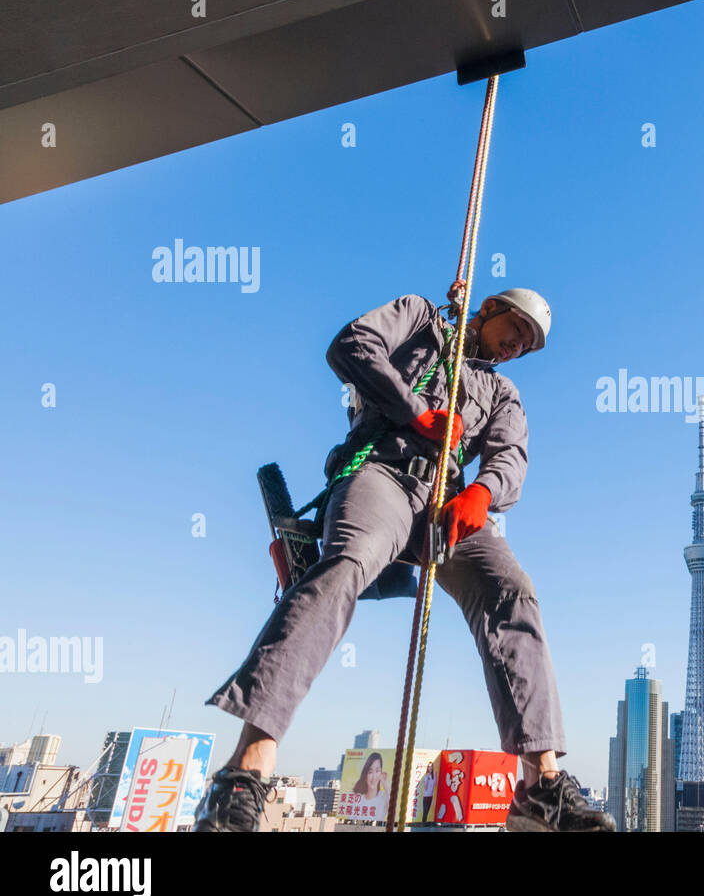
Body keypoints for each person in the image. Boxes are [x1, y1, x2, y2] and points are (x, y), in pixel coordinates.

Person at [194, 288, 614, 832]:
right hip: (383, 474)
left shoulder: (502, 393)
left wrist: (483, 493)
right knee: (348, 562)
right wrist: (417, 414)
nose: (516, 345)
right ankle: (246, 771)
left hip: (445, 502)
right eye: (515, 329)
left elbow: (510, 455)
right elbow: (351, 345)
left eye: (527, 345)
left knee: (511, 590)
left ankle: (541, 784)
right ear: (488, 307)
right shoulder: (421, 320)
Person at [351, 751, 389, 821]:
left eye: (377, 771)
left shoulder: (383, 797)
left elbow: (393, 813)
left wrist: (386, 785)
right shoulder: (358, 799)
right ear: (365, 774)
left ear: (381, 773)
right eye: (370, 772)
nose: (374, 777)